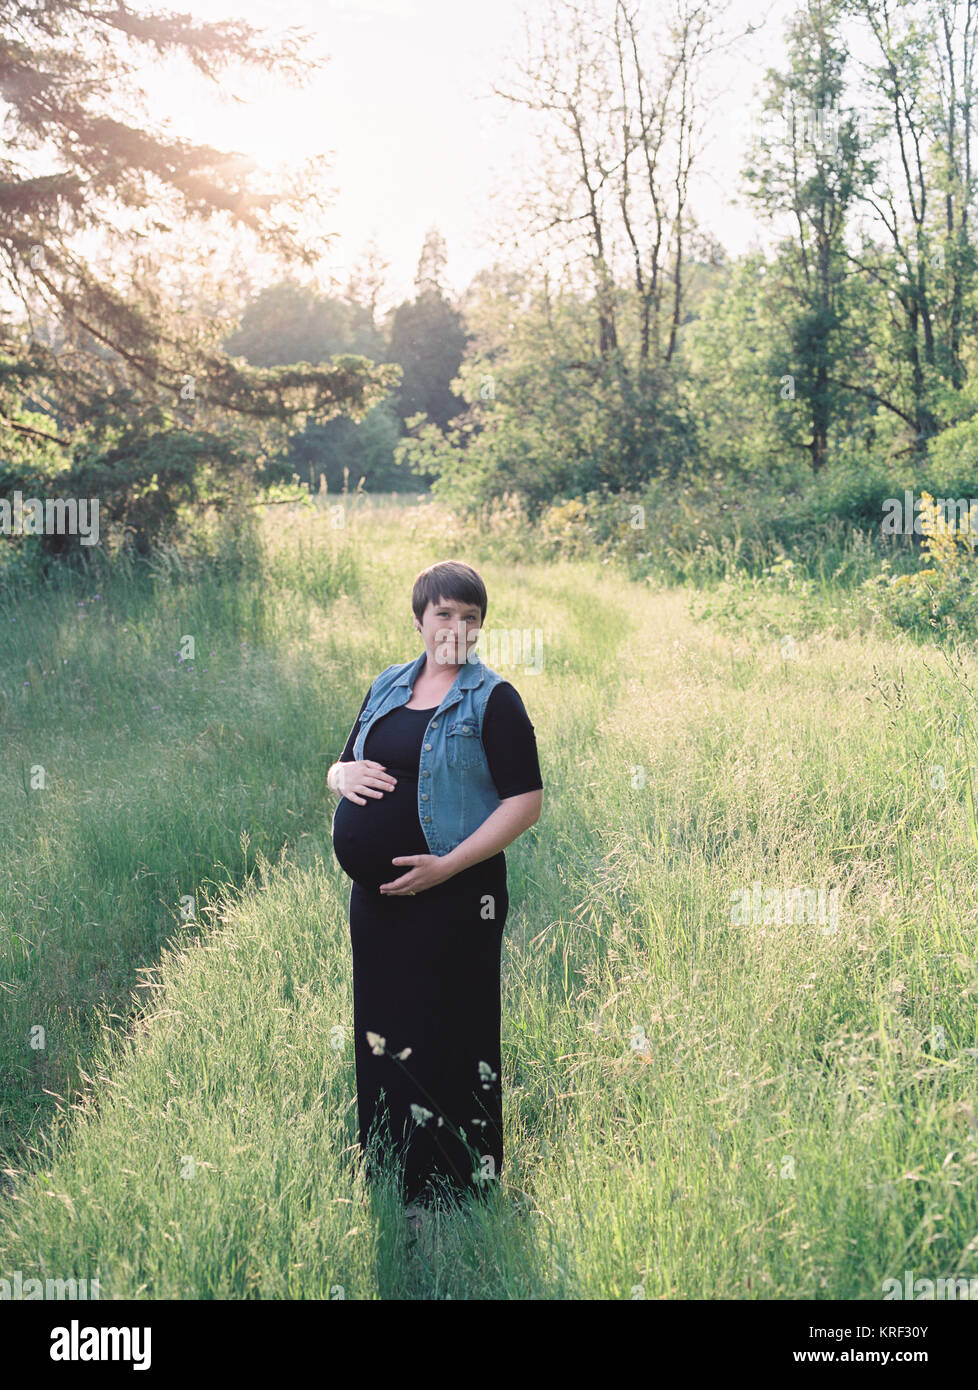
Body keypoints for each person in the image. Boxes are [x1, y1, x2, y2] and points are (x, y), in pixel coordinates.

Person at [327, 560, 543, 1226]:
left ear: (481, 628)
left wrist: (448, 865)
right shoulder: (386, 684)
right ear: (420, 618)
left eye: (470, 618)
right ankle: (390, 1161)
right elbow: (340, 761)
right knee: (384, 1026)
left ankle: (456, 1181)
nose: (457, 628)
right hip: (377, 904)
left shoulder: (493, 699)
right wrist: (342, 776)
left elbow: (525, 802)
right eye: (444, 614)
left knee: (450, 1026)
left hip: (457, 899)